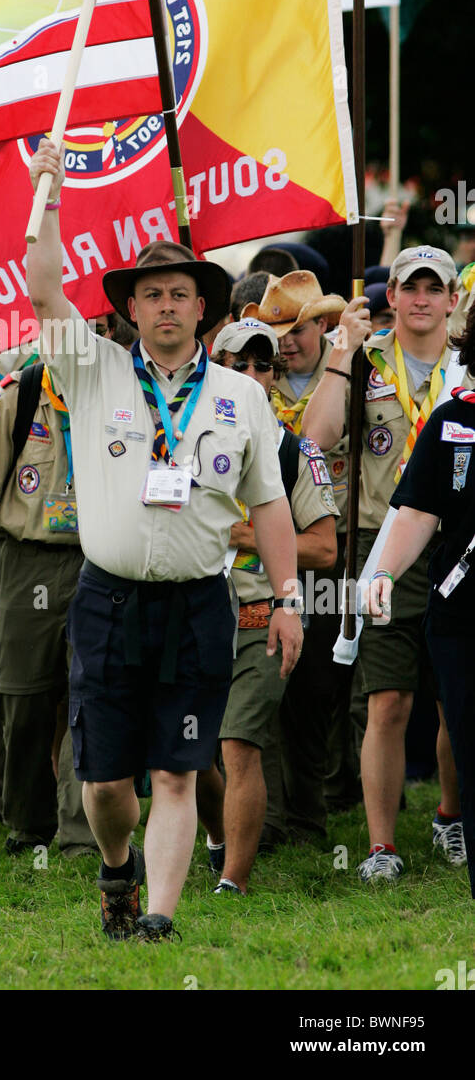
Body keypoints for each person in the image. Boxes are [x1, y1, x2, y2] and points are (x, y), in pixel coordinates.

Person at [25, 138, 301, 941]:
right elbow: (43, 291)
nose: (168, 306)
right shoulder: (93, 367)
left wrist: (288, 600)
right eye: (153, 295)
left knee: (179, 771)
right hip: (109, 601)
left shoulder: (241, 399)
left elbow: (273, 508)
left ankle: (159, 916)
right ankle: (117, 866)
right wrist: (48, 189)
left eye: (182, 294)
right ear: (132, 309)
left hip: (197, 605)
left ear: (203, 308)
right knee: (107, 781)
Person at [303, 245, 465, 881]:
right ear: (389, 296)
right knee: (387, 701)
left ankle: (451, 818)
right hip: (380, 547)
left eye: (434, 287)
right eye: (409, 286)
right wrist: (341, 352)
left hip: (458, 547)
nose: (421, 298)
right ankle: (380, 847)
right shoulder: (365, 366)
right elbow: (312, 440)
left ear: (453, 300)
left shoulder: (469, 369)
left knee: (457, 697)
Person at [210, 319, 338, 894]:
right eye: (240, 364)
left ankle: (233, 880)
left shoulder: (296, 450)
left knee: (240, 741)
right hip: (193, 606)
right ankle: (219, 840)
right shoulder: (181, 439)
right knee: (187, 750)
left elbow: (323, 547)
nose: (253, 375)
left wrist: (246, 535)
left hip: (264, 609)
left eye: (265, 366)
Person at [0, 354, 94, 857]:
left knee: (91, 696)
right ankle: (31, 824)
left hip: (100, 559)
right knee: (20, 695)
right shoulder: (20, 392)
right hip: (26, 559)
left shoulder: (122, 387)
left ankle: (83, 833)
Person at [364, 295, 475, 896]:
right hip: (460, 614)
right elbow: (415, 513)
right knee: (464, 730)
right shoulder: (455, 419)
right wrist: (382, 573)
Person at [239, 271, 352, 842]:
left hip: (320, 564)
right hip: (238, 586)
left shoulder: (351, 370)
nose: (282, 343)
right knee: (255, 707)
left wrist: (246, 537)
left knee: (311, 692)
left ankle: (308, 819)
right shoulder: (243, 386)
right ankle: (264, 823)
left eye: (297, 328)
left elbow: (315, 437)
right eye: (275, 330)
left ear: (323, 326)